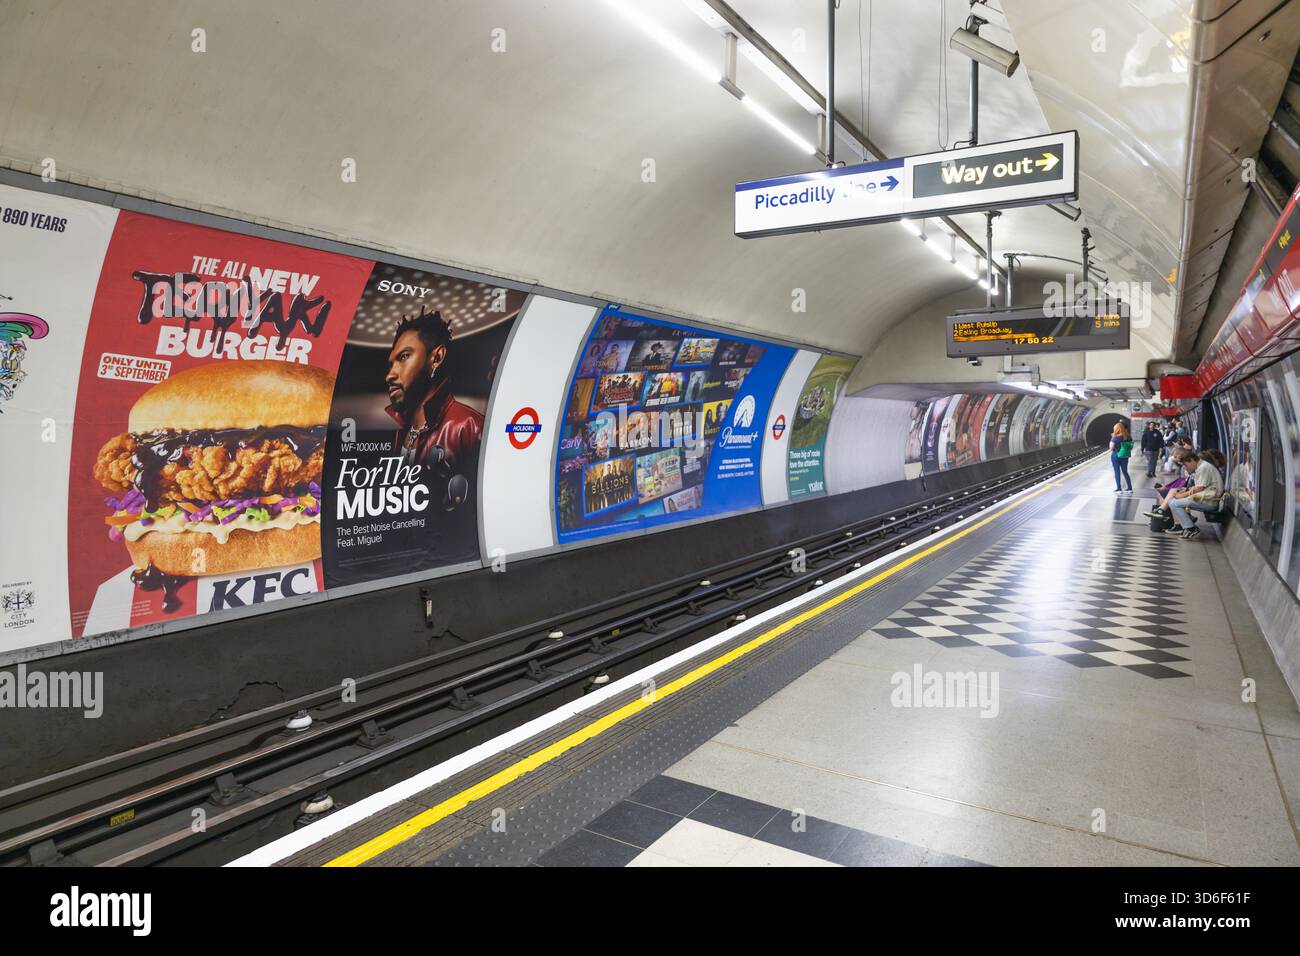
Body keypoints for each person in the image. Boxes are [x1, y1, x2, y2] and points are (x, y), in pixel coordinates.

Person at [385, 307, 483, 470]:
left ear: (436, 358)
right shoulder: (400, 434)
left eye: (404, 357)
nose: (389, 376)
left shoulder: (471, 428)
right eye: (390, 365)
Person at [1160, 450, 1224, 540]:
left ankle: (1191, 528)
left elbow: (1200, 488)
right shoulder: (1202, 466)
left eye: (1186, 465)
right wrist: (1187, 490)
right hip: (1205, 498)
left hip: (1209, 502)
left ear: (1191, 460)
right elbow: (1200, 487)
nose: (1186, 468)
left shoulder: (1203, 468)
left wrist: (1182, 495)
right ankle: (1186, 526)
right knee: (1172, 501)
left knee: (1174, 503)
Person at [1109, 421, 1134, 493]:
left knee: (1117, 472)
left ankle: (1119, 489)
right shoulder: (1128, 437)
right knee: (1125, 472)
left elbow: (1111, 447)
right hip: (1125, 456)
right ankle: (1130, 488)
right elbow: (1130, 446)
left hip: (1116, 455)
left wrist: (1113, 438)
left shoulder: (1115, 437)